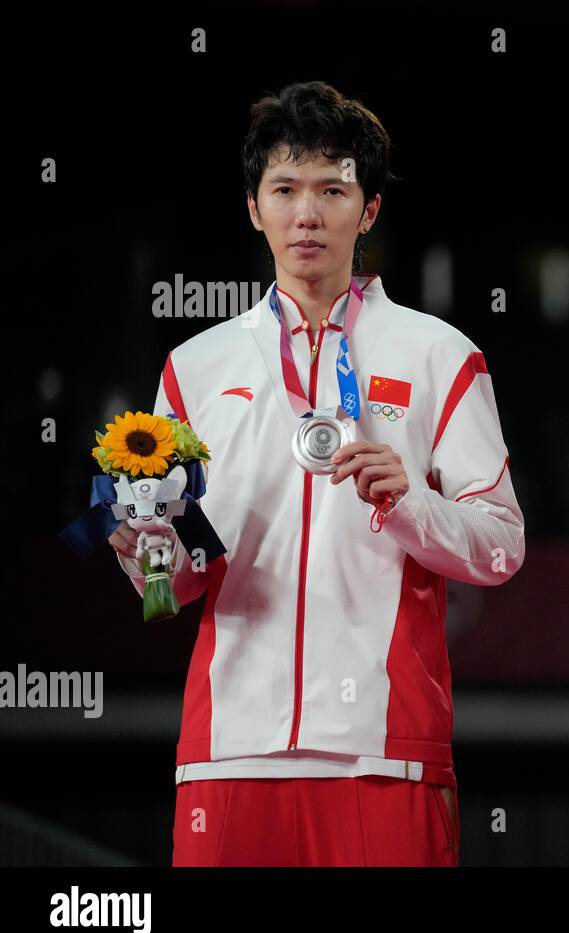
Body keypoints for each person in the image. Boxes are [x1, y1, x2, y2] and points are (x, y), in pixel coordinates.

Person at [107, 81, 524, 866]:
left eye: (333, 190)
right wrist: (145, 557)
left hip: (384, 747)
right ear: (253, 207)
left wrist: (411, 506)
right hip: (230, 748)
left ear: (367, 211)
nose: (308, 214)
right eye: (286, 189)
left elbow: (501, 548)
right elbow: (166, 593)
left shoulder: (440, 354)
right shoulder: (194, 368)